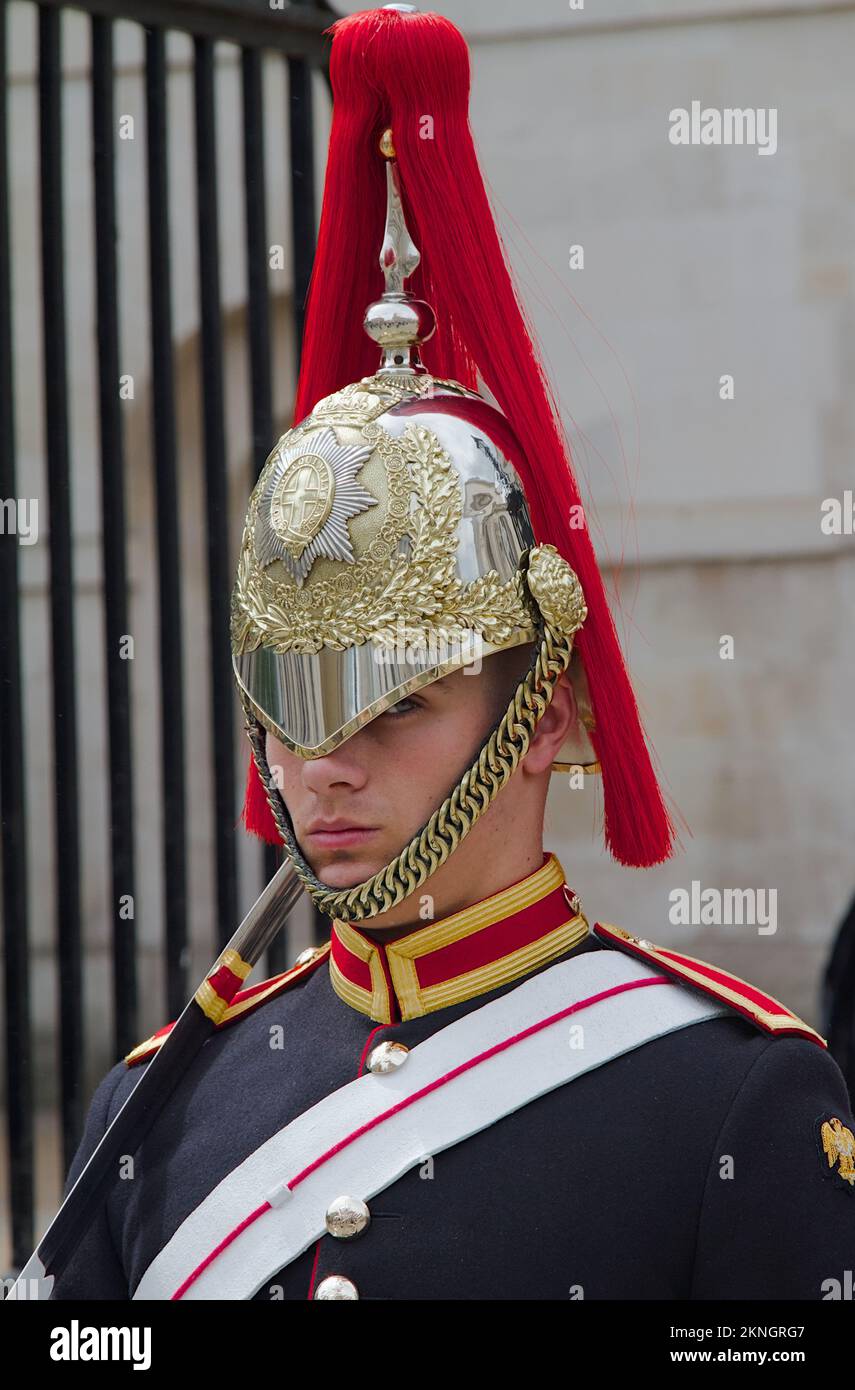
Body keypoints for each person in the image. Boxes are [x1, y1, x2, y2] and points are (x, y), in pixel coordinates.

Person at [48, 5, 855, 1301]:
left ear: (542, 709)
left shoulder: (731, 1104)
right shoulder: (156, 1101)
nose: (323, 767)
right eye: (293, 703)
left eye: (394, 703)